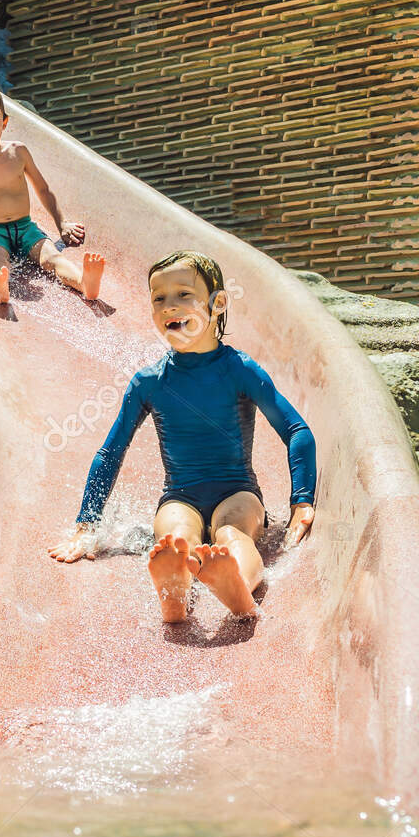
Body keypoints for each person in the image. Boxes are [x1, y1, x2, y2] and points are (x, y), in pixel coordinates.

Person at [48, 250, 316, 621]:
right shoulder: (149, 382)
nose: (170, 306)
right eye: (159, 298)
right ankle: (174, 591)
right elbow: (111, 453)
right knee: (175, 539)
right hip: (179, 497)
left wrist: (301, 501)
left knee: (233, 533)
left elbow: (297, 430)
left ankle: (236, 582)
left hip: (238, 490)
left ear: (217, 303)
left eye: (183, 295)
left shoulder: (240, 370)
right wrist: (86, 526)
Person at [0, 85, 105, 305]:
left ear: (4, 122)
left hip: (26, 227)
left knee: (52, 257)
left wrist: (62, 223)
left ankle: (84, 283)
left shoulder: (18, 152)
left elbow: (43, 190)